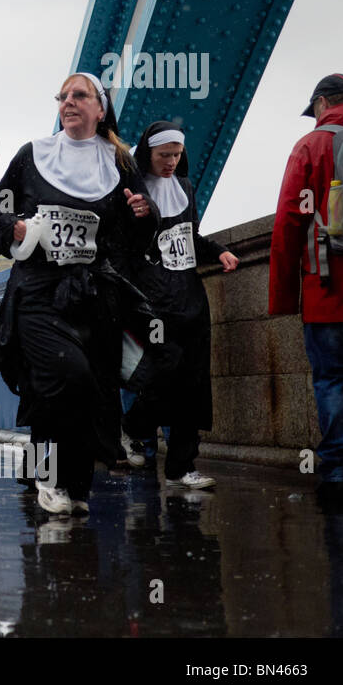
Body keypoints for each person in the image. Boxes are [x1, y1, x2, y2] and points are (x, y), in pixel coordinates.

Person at [0, 73, 155, 517]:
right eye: (63, 96)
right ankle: (45, 474)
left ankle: (74, 486)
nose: (69, 102)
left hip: (94, 294)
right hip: (38, 289)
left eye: (80, 96)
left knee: (85, 391)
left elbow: (136, 239)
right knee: (65, 374)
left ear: (100, 109)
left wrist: (142, 214)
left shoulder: (120, 161)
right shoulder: (32, 155)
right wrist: (14, 226)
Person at [122, 121, 238, 488]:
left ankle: (182, 466)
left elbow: (189, 238)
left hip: (190, 296)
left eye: (176, 155)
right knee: (163, 372)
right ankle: (129, 428)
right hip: (153, 300)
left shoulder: (185, 187)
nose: (170, 162)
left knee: (194, 382)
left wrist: (218, 252)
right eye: (163, 155)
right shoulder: (132, 193)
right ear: (148, 154)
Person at [269, 74, 343, 501]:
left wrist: (283, 295)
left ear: (322, 103)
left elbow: (290, 220)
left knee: (332, 380)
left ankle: (339, 472)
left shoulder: (312, 145)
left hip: (329, 288)